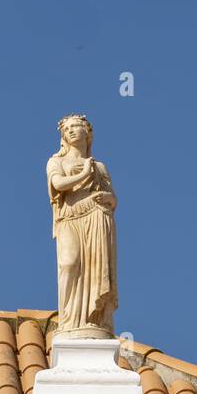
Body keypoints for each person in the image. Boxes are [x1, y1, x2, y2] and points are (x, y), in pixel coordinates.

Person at [46, 115, 118, 336]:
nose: (72, 131)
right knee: (69, 263)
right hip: (70, 218)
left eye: (76, 126)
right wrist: (85, 173)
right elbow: (58, 184)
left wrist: (105, 197)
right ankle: (68, 319)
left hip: (95, 218)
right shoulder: (56, 162)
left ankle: (93, 318)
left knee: (93, 269)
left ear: (88, 133)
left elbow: (113, 198)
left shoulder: (100, 167)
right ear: (63, 137)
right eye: (67, 129)